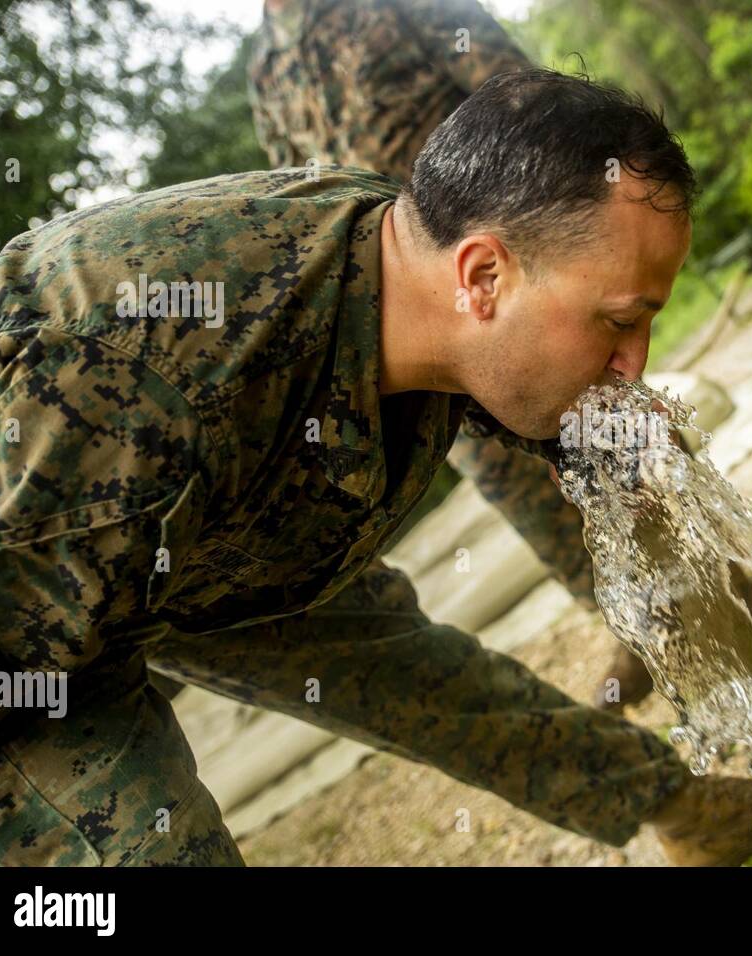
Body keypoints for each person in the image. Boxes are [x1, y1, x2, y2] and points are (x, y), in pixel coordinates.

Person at [0, 68, 752, 866]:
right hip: (12, 602)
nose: (634, 363)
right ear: (485, 277)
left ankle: (686, 811)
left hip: (196, 512)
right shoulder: (138, 377)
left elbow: (640, 484)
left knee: (404, 668)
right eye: (618, 322)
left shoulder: (424, 277)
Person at [248, 0, 653, 712]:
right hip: (407, 310)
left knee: (596, 431)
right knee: (511, 483)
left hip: (509, 272)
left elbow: (521, 99)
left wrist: (573, 234)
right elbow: (304, 186)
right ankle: (631, 621)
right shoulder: (268, 67)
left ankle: (698, 585)